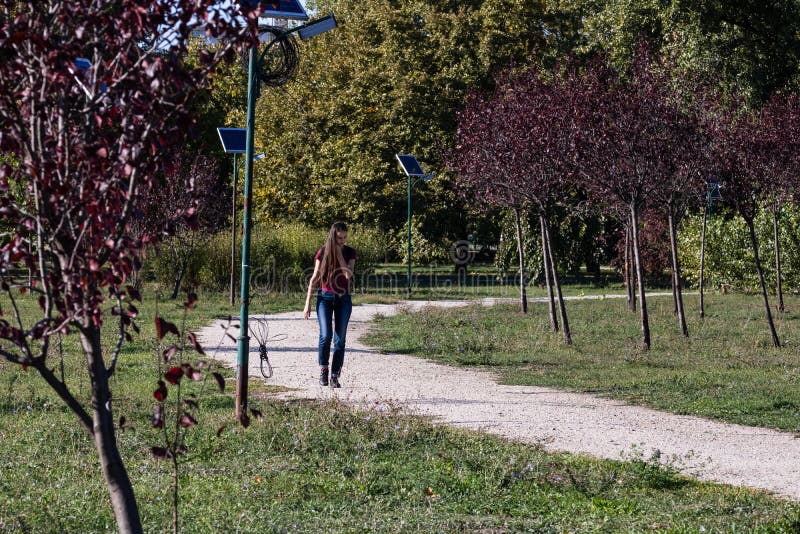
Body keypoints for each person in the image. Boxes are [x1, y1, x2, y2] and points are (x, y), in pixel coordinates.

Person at [303, 222, 356, 388]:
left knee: (340, 340)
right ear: (333, 236)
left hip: (343, 300)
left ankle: (334, 376)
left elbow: (347, 275)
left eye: (345, 237)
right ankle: (324, 370)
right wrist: (307, 303)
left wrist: (339, 255)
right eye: (339, 238)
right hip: (324, 298)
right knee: (326, 336)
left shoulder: (350, 252)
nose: (342, 241)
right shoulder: (323, 252)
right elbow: (315, 278)